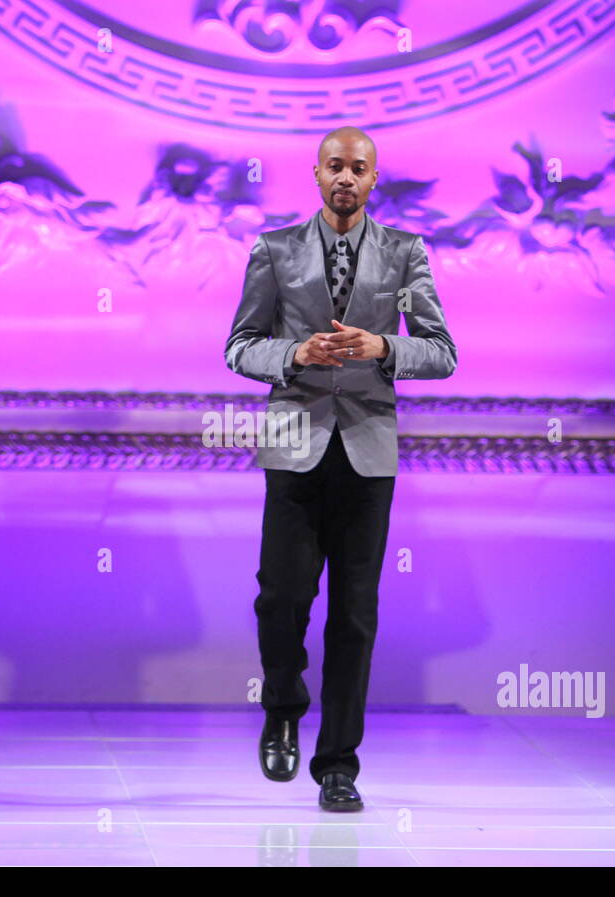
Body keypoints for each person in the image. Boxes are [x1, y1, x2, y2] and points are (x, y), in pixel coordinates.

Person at [223, 126, 457, 811]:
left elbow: (441, 352)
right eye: (335, 166)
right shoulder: (276, 250)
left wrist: (384, 345)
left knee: (355, 615)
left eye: (358, 168)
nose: (346, 178)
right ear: (316, 173)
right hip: (294, 444)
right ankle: (282, 708)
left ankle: (338, 765)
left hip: (368, 450)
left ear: (374, 178)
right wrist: (293, 356)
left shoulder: (405, 256)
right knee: (282, 596)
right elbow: (240, 347)